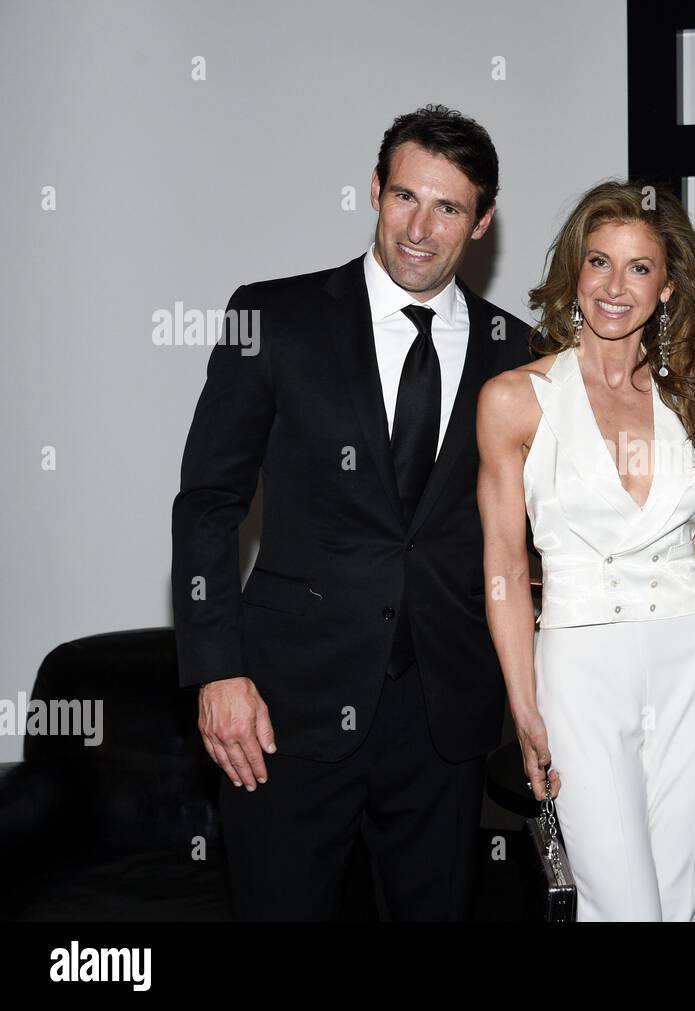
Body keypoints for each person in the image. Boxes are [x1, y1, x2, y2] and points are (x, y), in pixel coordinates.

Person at [171, 104, 533, 919]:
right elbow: (207, 506)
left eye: (448, 207)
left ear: (483, 221)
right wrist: (217, 670)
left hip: (444, 722)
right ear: (374, 189)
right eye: (404, 196)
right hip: (282, 710)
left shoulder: (520, 352)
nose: (419, 227)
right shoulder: (274, 319)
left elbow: (536, 531)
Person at [476, 181, 695, 921]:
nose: (614, 286)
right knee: (621, 906)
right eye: (600, 262)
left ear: (666, 289)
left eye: (638, 268)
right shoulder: (515, 399)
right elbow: (502, 566)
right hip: (581, 666)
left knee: (682, 904)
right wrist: (524, 708)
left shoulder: (688, 393)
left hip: (691, 655)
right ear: (575, 270)